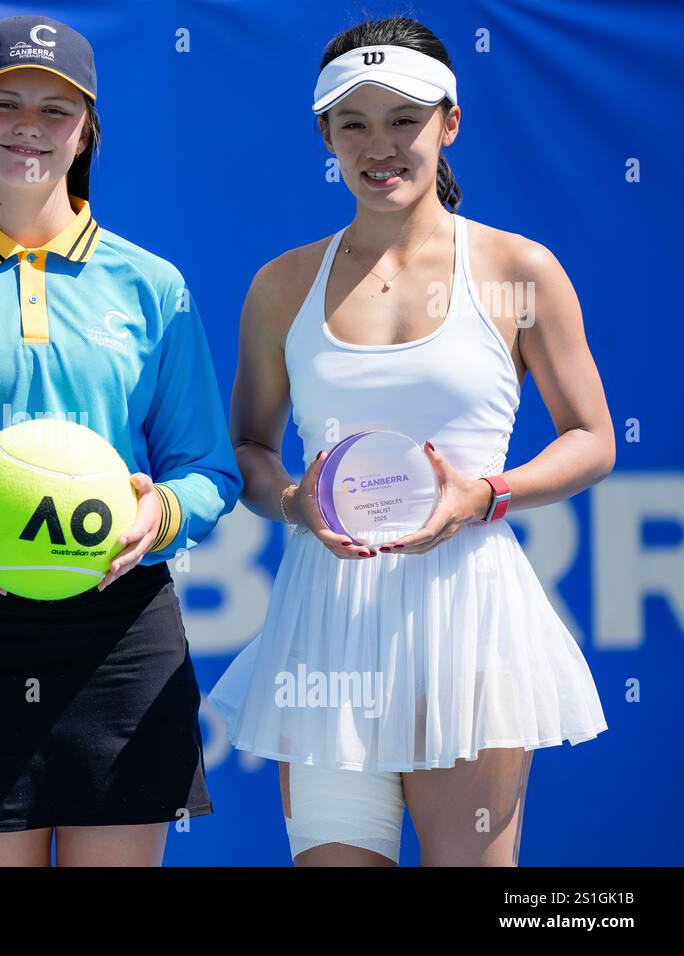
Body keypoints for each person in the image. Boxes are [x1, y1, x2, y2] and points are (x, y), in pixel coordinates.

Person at [209, 15, 612, 866]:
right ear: (325, 135)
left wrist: (487, 494)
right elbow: (247, 448)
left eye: (405, 119)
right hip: (325, 628)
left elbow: (591, 438)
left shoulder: (518, 271)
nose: (379, 145)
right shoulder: (281, 285)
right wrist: (293, 499)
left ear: (450, 124)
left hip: (471, 625)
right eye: (353, 122)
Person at [0, 15, 242, 866]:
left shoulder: (151, 285)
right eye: (5, 103)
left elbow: (207, 467)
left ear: (87, 131)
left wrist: (160, 514)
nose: (29, 126)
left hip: (123, 633)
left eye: (56, 110)